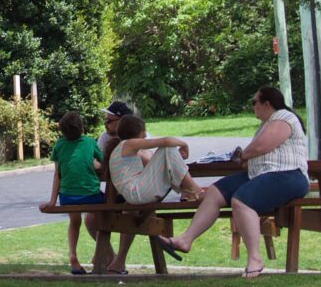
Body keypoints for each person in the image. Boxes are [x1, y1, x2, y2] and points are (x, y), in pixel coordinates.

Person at [162, 86, 310, 278]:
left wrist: (244, 155)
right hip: (262, 174)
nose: (252, 106)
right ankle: (185, 240)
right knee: (214, 192)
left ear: (267, 104)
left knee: (242, 201)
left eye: (254, 102)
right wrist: (247, 161)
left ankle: (254, 259)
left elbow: (263, 145)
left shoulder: (283, 117)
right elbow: (264, 153)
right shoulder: (266, 124)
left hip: (289, 175)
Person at [46, 111, 105, 274]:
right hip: (91, 195)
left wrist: (52, 201)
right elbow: (102, 163)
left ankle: (73, 255)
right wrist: (94, 165)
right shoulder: (89, 142)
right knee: (104, 219)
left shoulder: (59, 145)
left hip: (67, 197)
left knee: (74, 221)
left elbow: (57, 174)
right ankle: (99, 253)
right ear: (81, 127)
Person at [106, 115, 204, 205]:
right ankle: (193, 190)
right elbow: (167, 141)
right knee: (167, 148)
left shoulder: (122, 148)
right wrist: (184, 144)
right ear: (137, 132)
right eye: (143, 132)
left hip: (134, 194)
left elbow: (157, 166)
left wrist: (174, 159)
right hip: (137, 193)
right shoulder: (128, 144)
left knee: (168, 150)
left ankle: (188, 191)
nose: (145, 135)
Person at [94, 103, 137, 273]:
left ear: (123, 121)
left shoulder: (141, 138)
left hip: (136, 193)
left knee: (129, 212)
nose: (106, 124)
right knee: (91, 217)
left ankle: (120, 261)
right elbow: (96, 161)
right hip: (114, 194)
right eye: (105, 120)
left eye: (110, 120)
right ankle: (111, 258)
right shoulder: (105, 138)